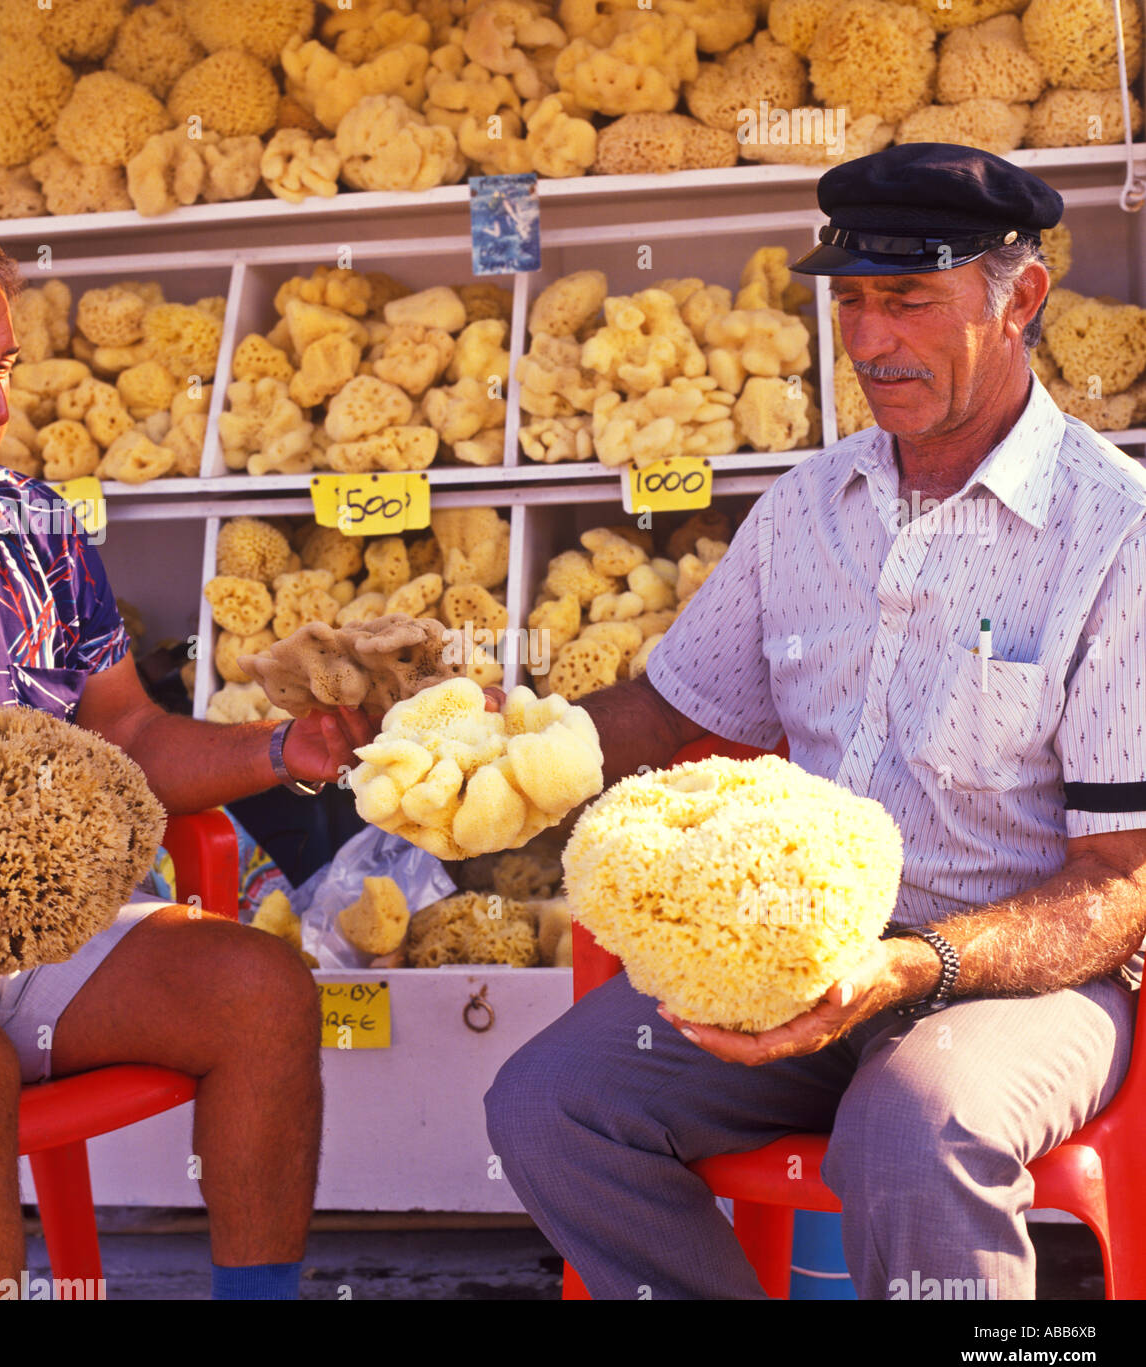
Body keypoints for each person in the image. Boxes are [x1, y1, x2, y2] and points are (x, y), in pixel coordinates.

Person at [485, 144, 1146, 1300]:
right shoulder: (804, 509)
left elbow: (1116, 883)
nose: (871, 342)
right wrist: (495, 752)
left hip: (1018, 979)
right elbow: (669, 707)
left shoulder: (1115, 536)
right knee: (546, 1106)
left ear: (1021, 299)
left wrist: (909, 969)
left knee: (916, 1128)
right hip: (791, 966)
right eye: (849, 302)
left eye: (908, 300)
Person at [0, 217, 370, 1300]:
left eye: (2, 369)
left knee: (260, 989)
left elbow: (124, 738)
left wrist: (287, 748)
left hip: (19, 944)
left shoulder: (34, 528)